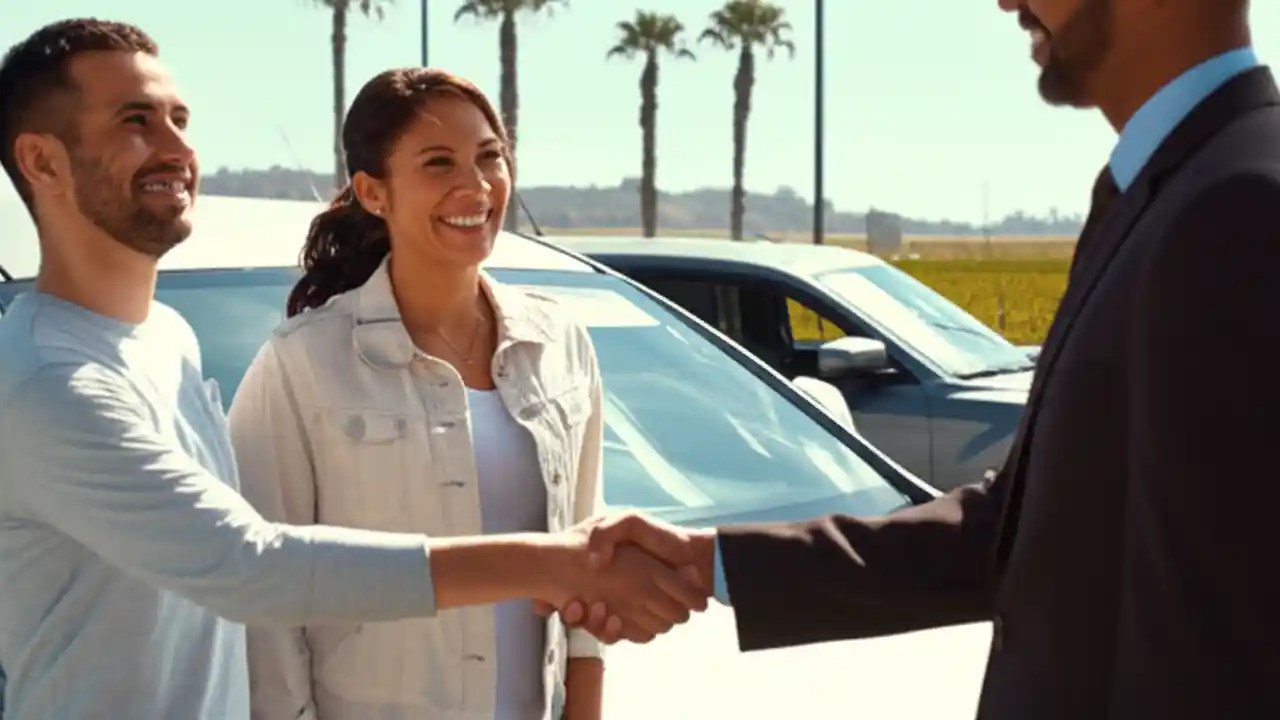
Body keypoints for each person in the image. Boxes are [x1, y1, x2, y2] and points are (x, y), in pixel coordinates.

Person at [554, 1, 1280, 718]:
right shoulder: (1173, 192)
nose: (1005, 1)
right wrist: (709, 561)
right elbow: (1018, 534)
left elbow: (1223, 640)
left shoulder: (1238, 208)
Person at [0, 18, 703, 720]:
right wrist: (554, 561)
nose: (179, 146)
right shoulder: (50, 385)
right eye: (136, 121)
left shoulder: (164, 339)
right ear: (41, 161)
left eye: (180, 118)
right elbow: (255, 570)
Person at [225, 67, 648, 720]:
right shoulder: (301, 364)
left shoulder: (560, 342)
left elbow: (587, 560)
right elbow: (265, 607)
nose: (475, 186)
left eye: (489, 157)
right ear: (374, 191)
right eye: (438, 162)